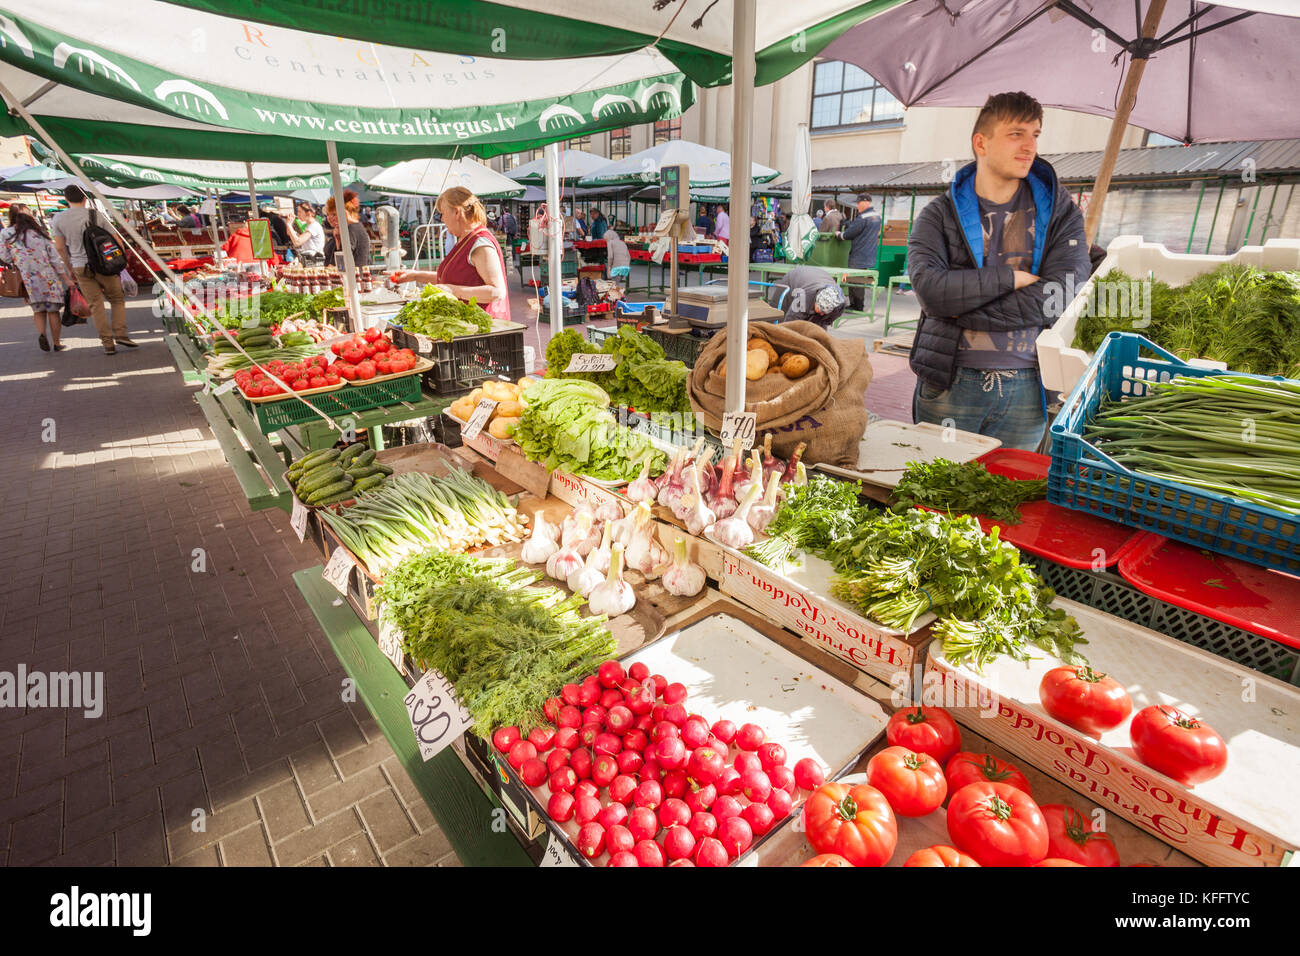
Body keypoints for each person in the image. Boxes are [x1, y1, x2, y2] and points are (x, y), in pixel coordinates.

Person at [908, 91, 1090, 452]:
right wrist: (1011, 279)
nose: (1029, 146)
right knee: (935, 494)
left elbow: (1064, 293)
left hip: (1029, 384)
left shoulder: (1061, 212)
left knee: (1011, 496)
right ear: (982, 142)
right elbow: (931, 290)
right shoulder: (938, 214)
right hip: (950, 382)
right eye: (1016, 134)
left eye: (1035, 135)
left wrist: (961, 305)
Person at [388, 186, 510, 322]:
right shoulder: (464, 239)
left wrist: (454, 291)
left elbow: (497, 292)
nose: (442, 219)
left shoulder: (480, 243)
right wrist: (414, 275)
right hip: (466, 327)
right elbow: (452, 278)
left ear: (457, 212)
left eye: (443, 213)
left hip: (483, 329)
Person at [52, 184, 134, 355]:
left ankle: (107, 344)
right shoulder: (95, 214)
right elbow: (116, 239)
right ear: (84, 198)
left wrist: (69, 267)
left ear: (66, 199)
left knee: (96, 305)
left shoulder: (58, 219)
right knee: (117, 299)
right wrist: (121, 260)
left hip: (79, 266)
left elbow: (59, 247)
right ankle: (120, 333)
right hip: (104, 265)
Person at [1, 205, 76, 352]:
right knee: (53, 311)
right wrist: (65, 277)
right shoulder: (39, 232)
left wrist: (18, 260)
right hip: (48, 277)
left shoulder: (6, 233)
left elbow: (4, 256)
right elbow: (54, 258)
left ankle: (42, 334)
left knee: (38, 311)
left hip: (27, 280)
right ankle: (57, 343)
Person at [765, 264, 846, 329]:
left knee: (818, 325)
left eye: (824, 312)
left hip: (816, 276)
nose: (821, 314)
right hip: (793, 278)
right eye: (820, 310)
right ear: (816, 300)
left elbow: (824, 322)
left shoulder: (839, 304)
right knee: (777, 315)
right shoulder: (804, 297)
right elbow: (791, 322)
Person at [837, 193, 881, 311]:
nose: (857, 206)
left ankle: (857, 306)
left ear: (865, 202)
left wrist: (839, 235)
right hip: (869, 254)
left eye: (858, 203)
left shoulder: (862, 218)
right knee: (859, 280)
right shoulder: (877, 216)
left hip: (858, 255)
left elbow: (848, 234)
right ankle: (857, 304)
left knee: (855, 281)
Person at [323, 190, 370, 269]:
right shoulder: (353, 228)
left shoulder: (351, 228)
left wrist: (330, 268)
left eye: (334, 214)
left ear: (344, 213)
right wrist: (338, 240)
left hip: (354, 277)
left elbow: (343, 259)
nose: (330, 218)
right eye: (328, 214)